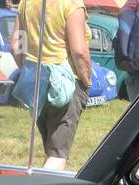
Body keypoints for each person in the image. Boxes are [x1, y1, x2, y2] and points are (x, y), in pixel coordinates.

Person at [14, 0, 93, 170]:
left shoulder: (26, 3)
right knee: (57, 154)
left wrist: (29, 71)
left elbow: (16, 46)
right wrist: (86, 81)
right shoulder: (71, 4)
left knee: (51, 149)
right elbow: (79, 52)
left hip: (37, 81)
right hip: (65, 83)